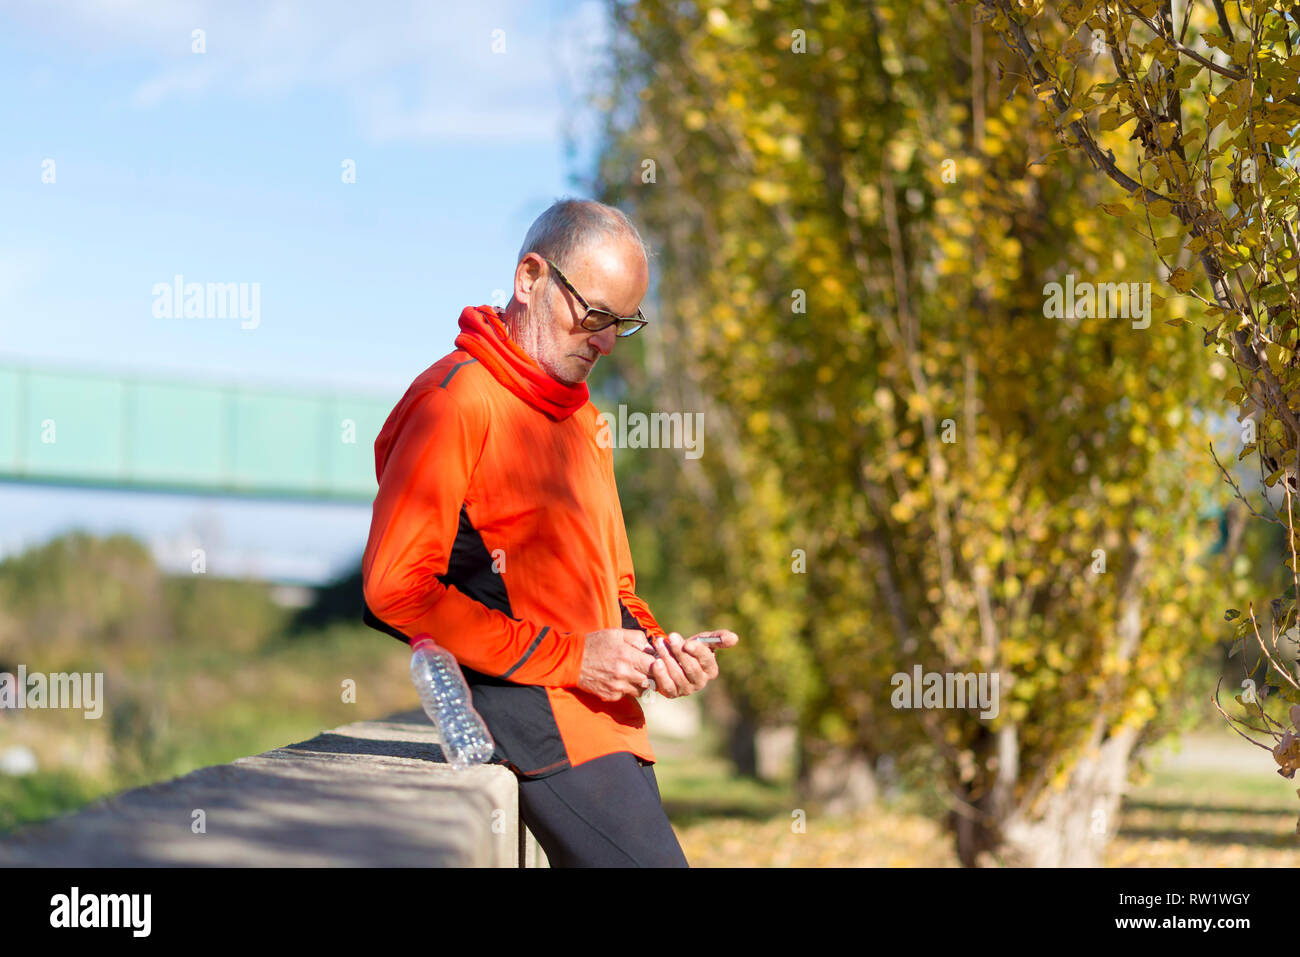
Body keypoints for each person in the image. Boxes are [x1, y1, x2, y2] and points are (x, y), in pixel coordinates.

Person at [360, 197, 739, 867]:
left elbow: (612, 588)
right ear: (529, 278)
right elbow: (395, 589)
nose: (604, 342)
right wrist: (573, 658)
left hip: (607, 724)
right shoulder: (453, 403)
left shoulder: (585, 423)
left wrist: (659, 651)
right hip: (535, 725)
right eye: (593, 315)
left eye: (623, 324)